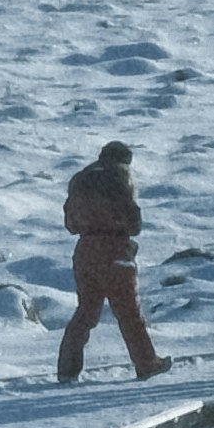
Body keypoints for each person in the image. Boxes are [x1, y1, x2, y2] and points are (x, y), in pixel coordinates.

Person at [56, 134, 159, 384]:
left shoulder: (80, 182)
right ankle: (146, 363)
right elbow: (134, 224)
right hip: (115, 251)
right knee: (128, 312)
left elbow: (70, 224)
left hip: (85, 251)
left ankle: (67, 369)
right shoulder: (118, 180)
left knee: (86, 312)